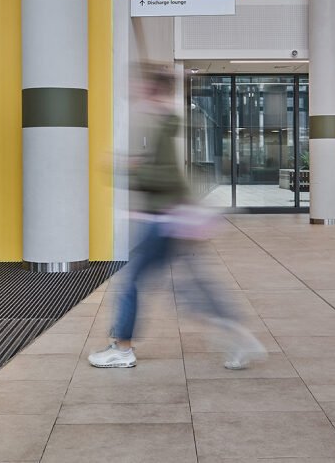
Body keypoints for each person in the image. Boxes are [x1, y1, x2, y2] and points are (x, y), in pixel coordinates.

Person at [88, 64, 264, 370]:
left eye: (139, 84)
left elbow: (164, 176)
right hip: (169, 219)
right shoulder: (163, 120)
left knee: (133, 283)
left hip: (159, 220)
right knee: (189, 287)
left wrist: (122, 168)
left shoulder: (150, 119)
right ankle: (237, 335)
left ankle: (122, 347)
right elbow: (174, 176)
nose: (133, 88)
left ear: (151, 88)